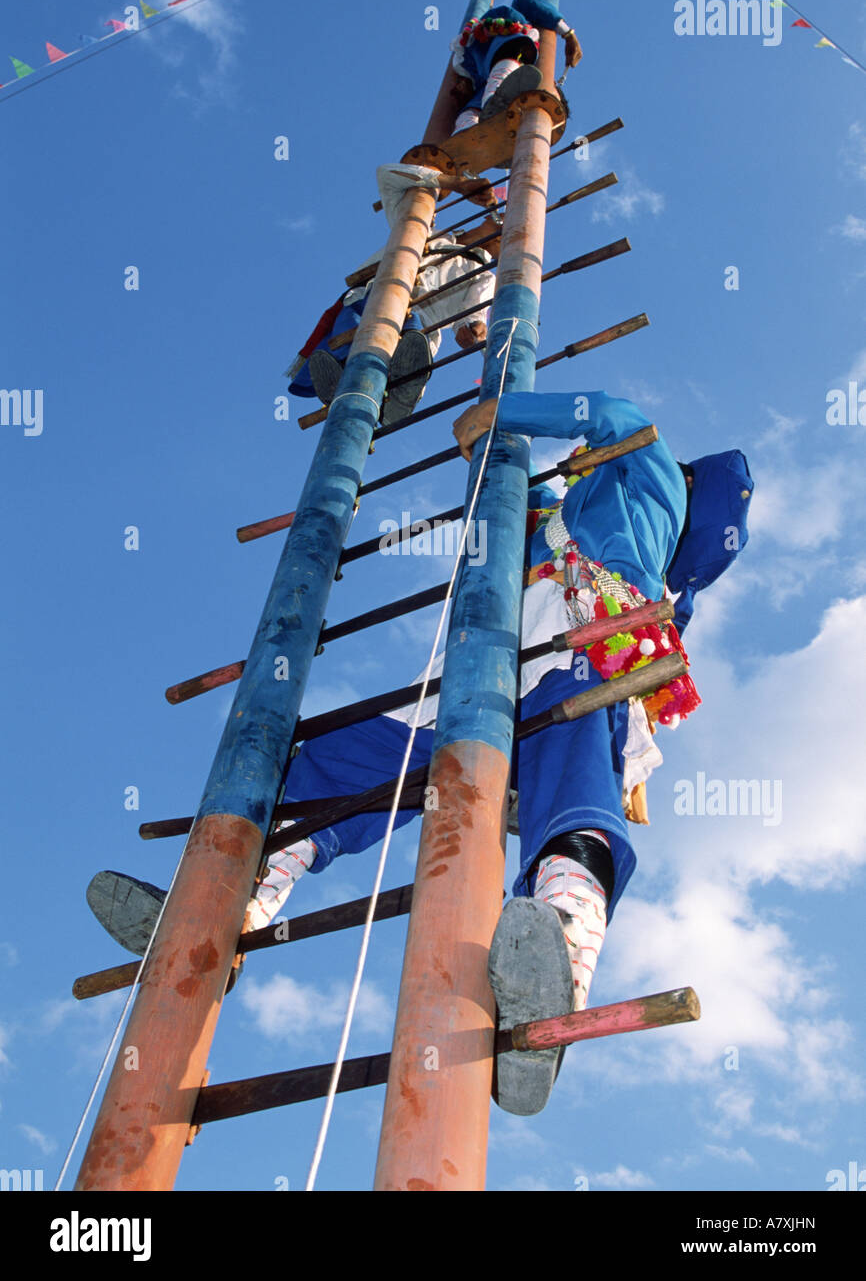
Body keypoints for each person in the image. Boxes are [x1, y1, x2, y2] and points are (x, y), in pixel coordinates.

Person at [87, 387, 753, 1114]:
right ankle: (240, 898)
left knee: (563, 780)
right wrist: (531, 482)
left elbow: (610, 414)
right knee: (392, 764)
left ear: (693, 484)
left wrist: (502, 412)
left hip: (571, 638)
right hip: (504, 651)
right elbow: (537, 511)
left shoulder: (650, 470)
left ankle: (555, 955)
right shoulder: (630, 535)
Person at [285, 219, 500, 423]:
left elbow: (472, 320)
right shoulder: (431, 232)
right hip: (376, 293)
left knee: (410, 351)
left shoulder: (483, 275)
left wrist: (477, 337)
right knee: (353, 330)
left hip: (420, 321)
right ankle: (341, 376)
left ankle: (398, 392)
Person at [449, 0, 581, 134]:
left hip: (481, 71)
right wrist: (568, 34)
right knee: (520, 48)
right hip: (498, 37)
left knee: (474, 108)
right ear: (554, 85)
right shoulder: (523, 40)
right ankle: (495, 101)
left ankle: (465, 129)